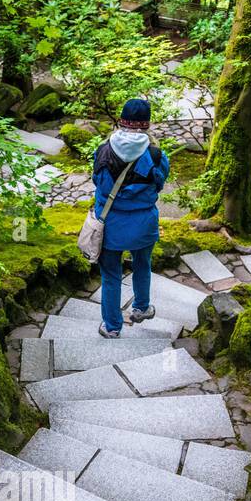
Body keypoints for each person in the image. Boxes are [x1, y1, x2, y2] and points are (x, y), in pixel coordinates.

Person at [92, 97, 169, 338]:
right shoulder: (155, 155)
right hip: (143, 223)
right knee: (142, 265)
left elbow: (98, 182)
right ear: (146, 124)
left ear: (121, 122)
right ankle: (142, 308)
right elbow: (160, 183)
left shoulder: (104, 151)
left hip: (110, 224)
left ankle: (112, 327)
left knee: (111, 274)